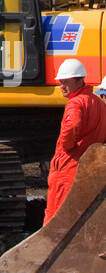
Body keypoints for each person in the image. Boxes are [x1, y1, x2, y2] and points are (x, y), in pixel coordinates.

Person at [44, 58, 106, 223]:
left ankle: (49, 248)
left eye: (66, 82)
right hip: (90, 166)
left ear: (79, 80)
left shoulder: (76, 103)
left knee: (56, 217)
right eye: (60, 82)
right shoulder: (98, 104)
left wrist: (67, 147)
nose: (61, 86)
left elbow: (71, 127)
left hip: (69, 167)